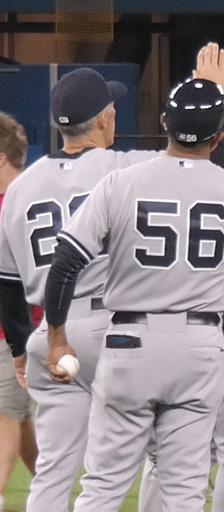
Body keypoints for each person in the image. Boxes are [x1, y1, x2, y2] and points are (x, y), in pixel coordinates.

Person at [40, 44, 224, 512]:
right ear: (218, 137)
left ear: (164, 122)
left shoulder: (122, 181)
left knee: (103, 487)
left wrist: (57, 338)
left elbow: (66, 263)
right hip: (199, 346)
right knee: (184, 491)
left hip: (130, 342)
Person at [0, 66, 159, 512]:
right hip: (114, 329)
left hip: (51, 338)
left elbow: (8, 284)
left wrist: (18, 349)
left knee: (52, 471)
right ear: (105, 118)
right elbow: (195, 155)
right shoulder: (126, 167)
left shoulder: (21, 187)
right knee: (157, 453)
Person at [0, 111, 37, 511]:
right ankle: (51, 488)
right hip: (13, 333)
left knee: (3, 414)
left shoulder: (22, 202)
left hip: (13, 335)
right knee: (18, 416)